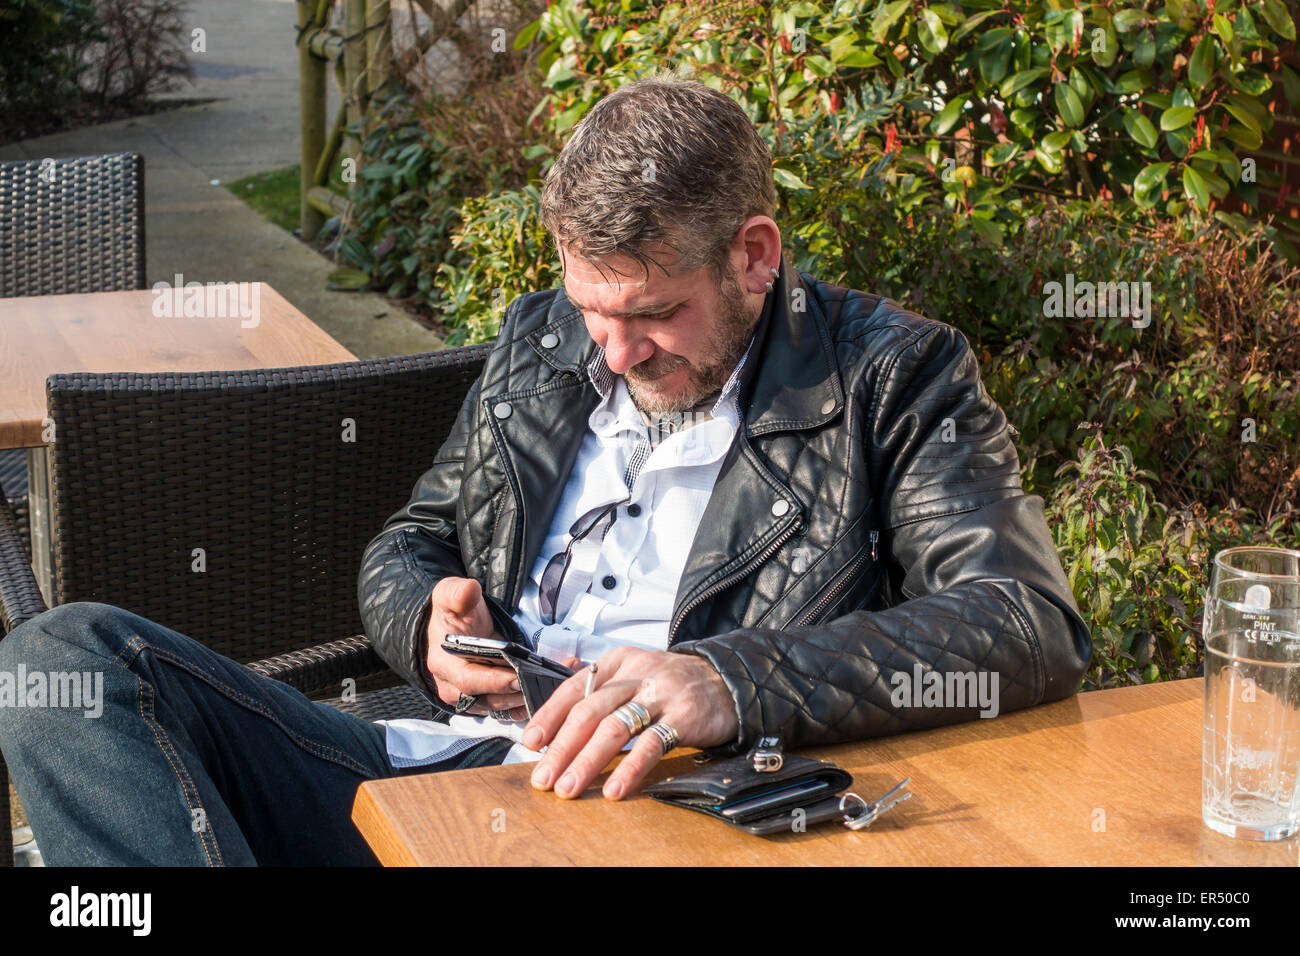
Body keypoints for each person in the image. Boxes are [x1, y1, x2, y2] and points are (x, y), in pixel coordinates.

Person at [0, 73, 1090, 865]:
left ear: (754, 254)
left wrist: (730, 678)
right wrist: (423, 623)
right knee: (65, 660)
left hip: (666, 804)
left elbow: (1025, 621)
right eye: (592, 311)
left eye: (655, 313)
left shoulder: (891, 377)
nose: (613, 354)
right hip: (444, 769)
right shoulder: (542, 343)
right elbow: (412, 538)